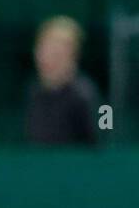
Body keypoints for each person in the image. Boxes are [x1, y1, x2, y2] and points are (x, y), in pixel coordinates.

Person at [24, 16, 100, 146]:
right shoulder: (34, 91)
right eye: (43, 50)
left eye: (56, 53)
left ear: (73, 55)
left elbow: (101, 144)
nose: (47, 59)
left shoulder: (85, 95)